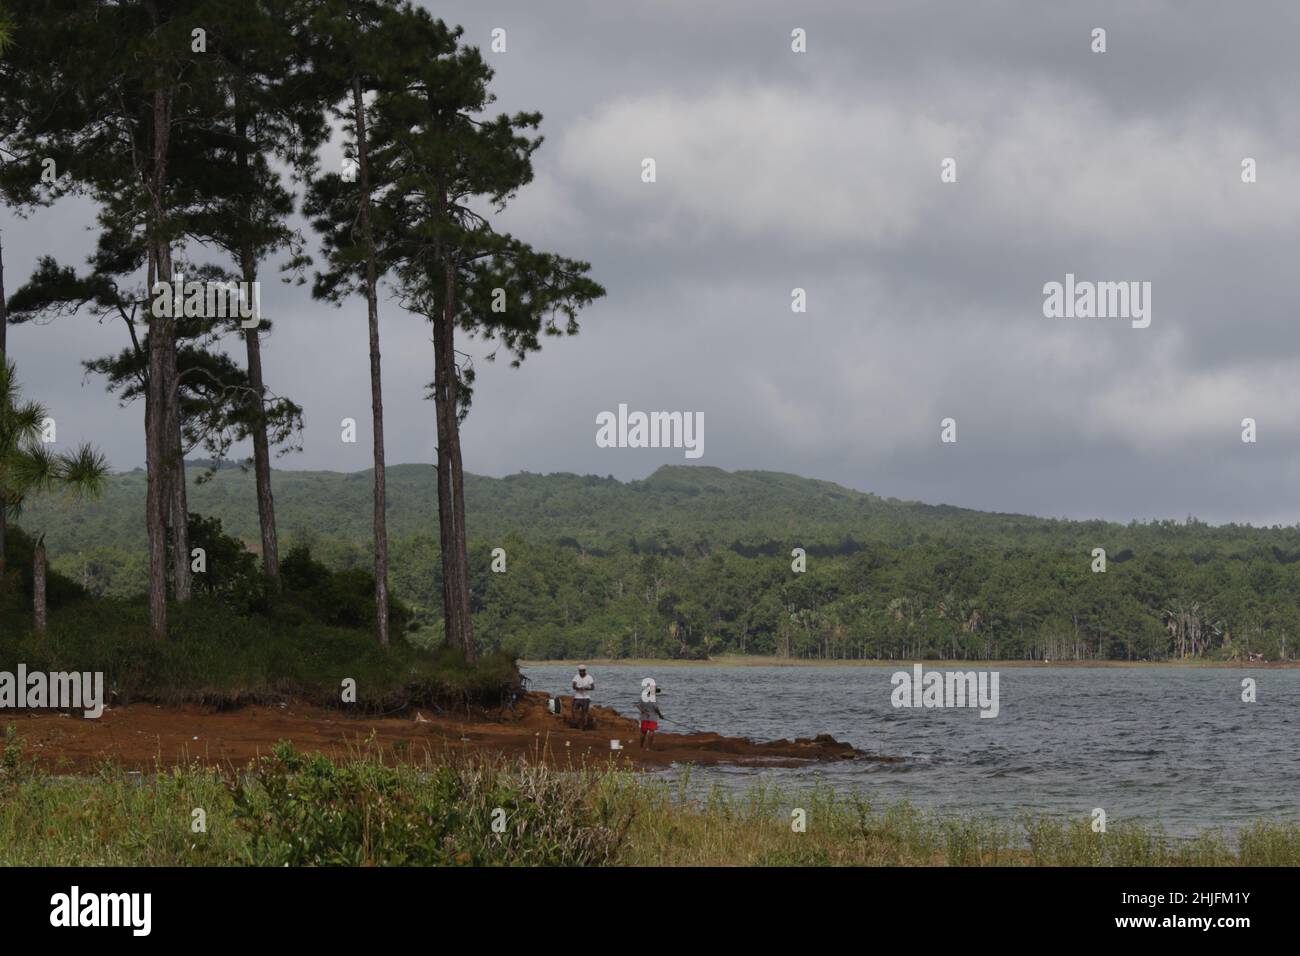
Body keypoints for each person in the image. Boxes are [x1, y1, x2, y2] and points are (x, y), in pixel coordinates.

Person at [637, 682, 665, 750]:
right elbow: (656, 708)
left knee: (643, 732)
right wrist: (660, 715)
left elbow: (638, 705)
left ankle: (641, 746)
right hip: (653, 717)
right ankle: (648, 748)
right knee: (651, 731)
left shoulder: (642, 697)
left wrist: (642, 711)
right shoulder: (653, 698)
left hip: (644, 717)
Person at [571, 664, 594, 729]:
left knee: (585, 712)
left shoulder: (589, 677)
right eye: (580, 671)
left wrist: (586, 688)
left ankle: (585, 725)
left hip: (586, 698)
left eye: (582, 671)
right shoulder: (576, 677)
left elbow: (593, 687)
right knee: (574, 710)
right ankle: (575, 723)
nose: (581, 672)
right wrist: (578, 688)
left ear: (585, 671)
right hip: (577, 697)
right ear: (579, 671)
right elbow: (573, 686)